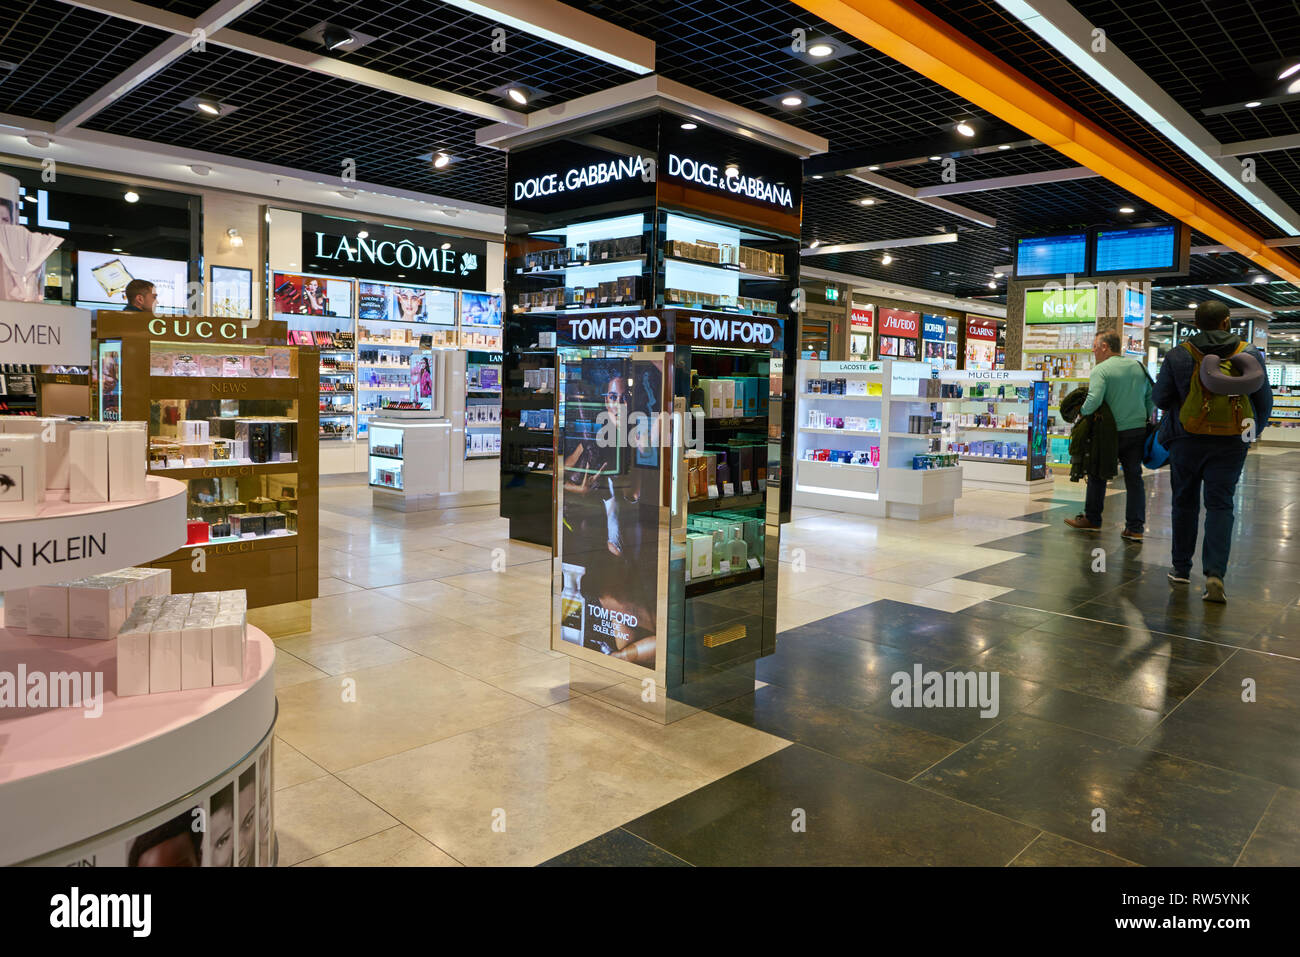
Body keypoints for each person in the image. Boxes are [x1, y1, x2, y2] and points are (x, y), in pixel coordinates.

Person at [1153, 301, 1272, 603]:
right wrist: (1249, 433)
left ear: (1196, 322)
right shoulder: (1250, 353)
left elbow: (1161, 399)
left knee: (1184, 502)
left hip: (1186, 439)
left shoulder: (1180, 354)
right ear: (1226, 322)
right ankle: (1214, 575)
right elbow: (1263, 402)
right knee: (1221, 505)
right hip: (1231, 442)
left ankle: (1181, 569)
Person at [1066, 331, 1154, 539]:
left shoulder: (1101, 370)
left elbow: (1094, 400)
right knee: (1134, 478)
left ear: (1105, 347)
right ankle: (1135, 528)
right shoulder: (1139, 367)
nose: (1093, 350)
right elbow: (1151, 397)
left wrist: (1082, 412)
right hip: (1137, 431)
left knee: (1097, 473)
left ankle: (1092, 519)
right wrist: (1143, 416)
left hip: (1108, 433)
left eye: (1095, 346)